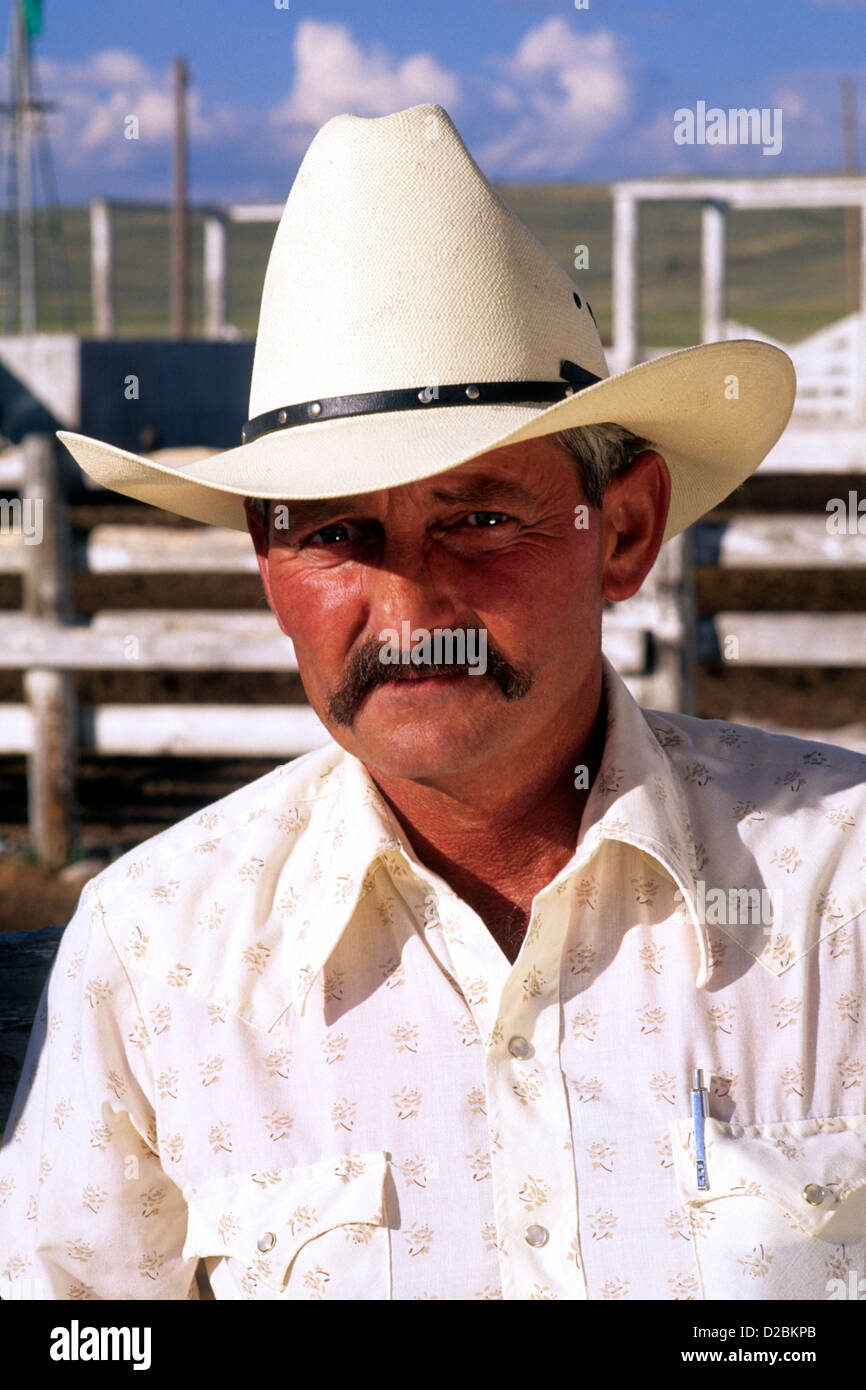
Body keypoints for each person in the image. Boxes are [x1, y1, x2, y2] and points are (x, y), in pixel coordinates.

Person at [1, 102, 864, 1302]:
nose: (410, 605)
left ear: (620, 531)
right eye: (338, 533)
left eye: (477, 517)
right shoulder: (154, 954)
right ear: (268, 564)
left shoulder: (841, 888)